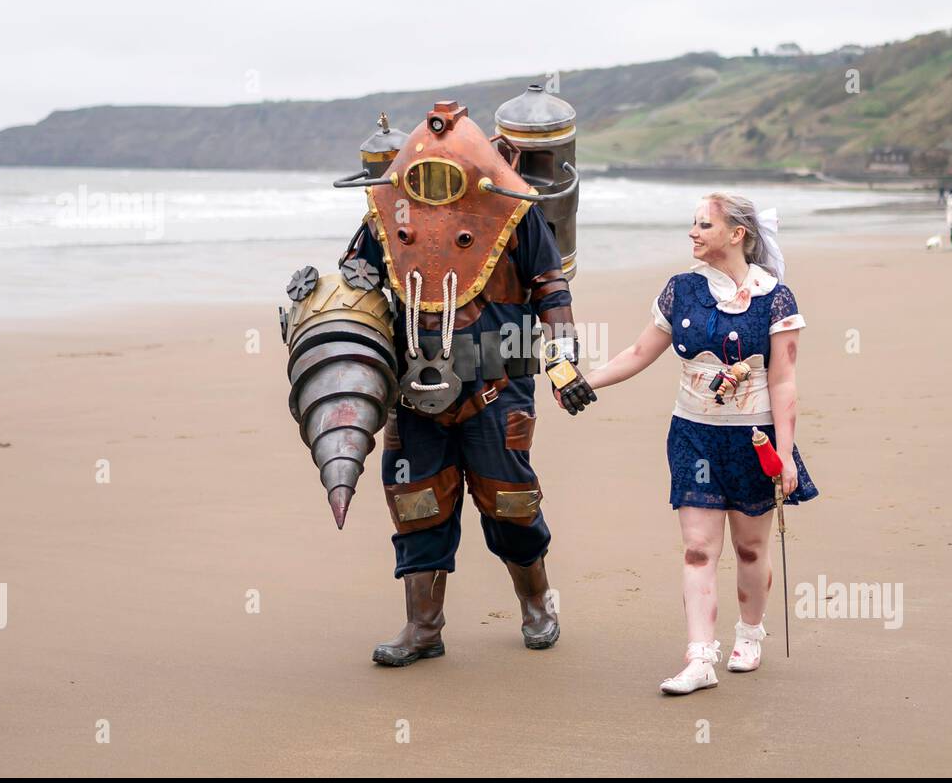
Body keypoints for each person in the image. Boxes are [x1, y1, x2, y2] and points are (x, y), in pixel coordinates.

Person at [337, 100, 597, 666]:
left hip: (496, 390)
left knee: (511, 502)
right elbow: (354, 299)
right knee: (416, 503)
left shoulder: (512, 212)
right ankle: (422, 627)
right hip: (414, 393)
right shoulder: (385, 215)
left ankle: (537, 607)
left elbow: (552, 292)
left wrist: (562, 363)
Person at [582, 193, 818, 695]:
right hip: (692, 436)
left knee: (751, 548)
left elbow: (784, 382)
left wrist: (786, 453)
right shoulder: (680, 290)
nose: (692, 232)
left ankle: (750, 635)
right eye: (692, 223)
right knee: (696, 549)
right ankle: (699, 660)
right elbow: (639, 351)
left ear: (736, 234)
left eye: (703, 224)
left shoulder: (776, 298)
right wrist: (588, 381)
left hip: (755, 440)